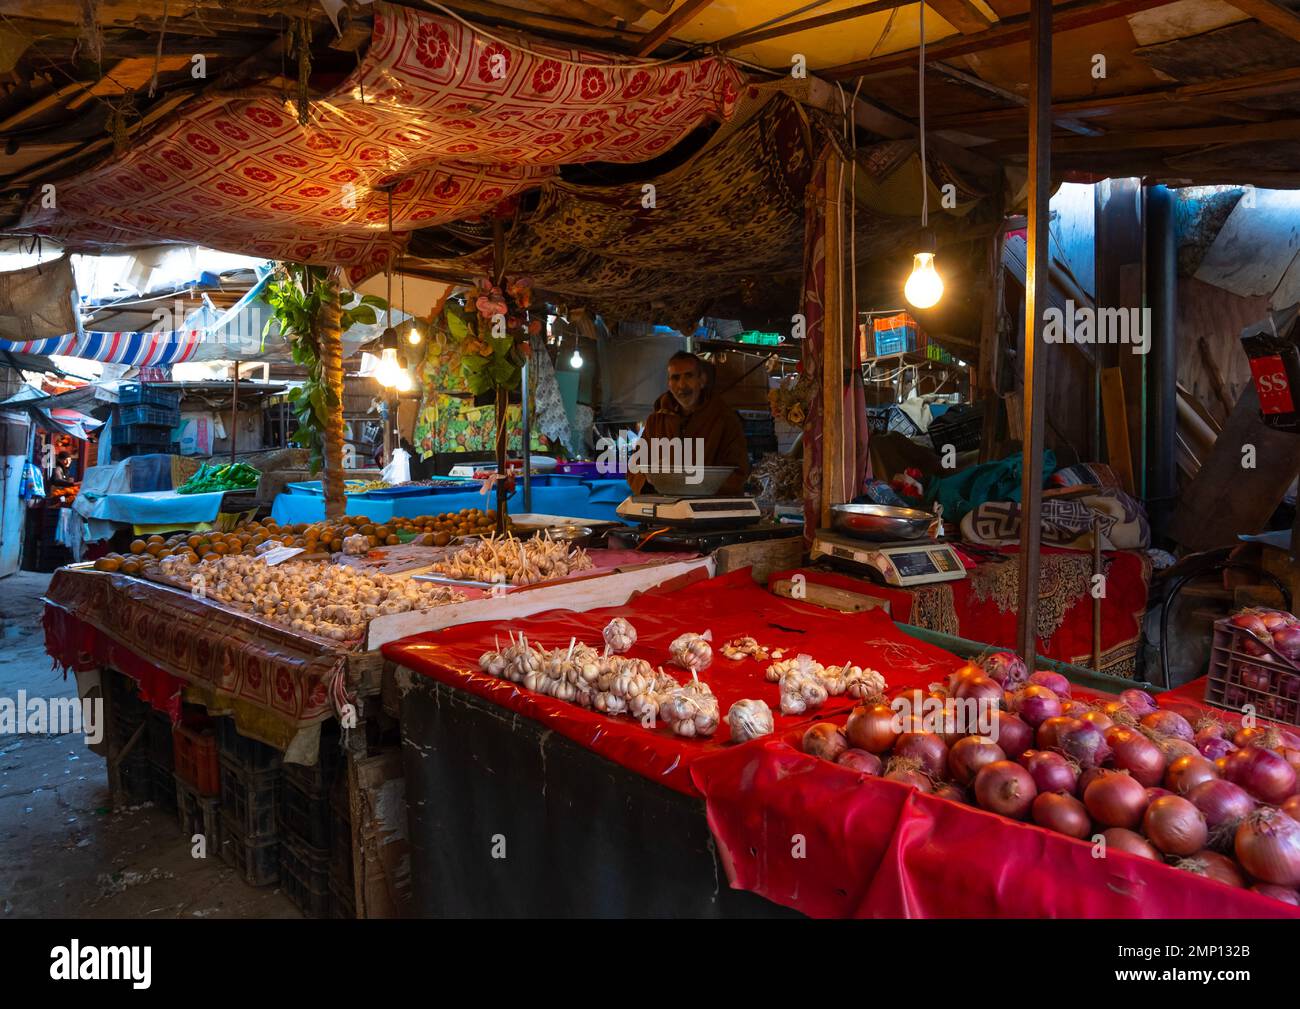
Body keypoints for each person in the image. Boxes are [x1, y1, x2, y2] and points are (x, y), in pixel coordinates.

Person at [627, 351, 750, 496]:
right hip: (666, 510)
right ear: (668, 384)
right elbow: (634, 469)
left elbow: (739, 473)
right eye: (675, 377)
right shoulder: (656, 421)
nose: (682, 385)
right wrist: (651, 478)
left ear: (702, 380)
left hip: (708, 513)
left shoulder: (725, 420)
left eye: (689, 376)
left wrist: (693, 484)